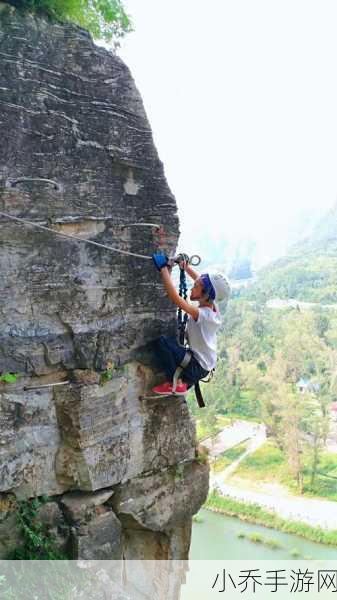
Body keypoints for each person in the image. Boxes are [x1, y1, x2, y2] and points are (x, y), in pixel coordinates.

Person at [151, 254, 230, 396]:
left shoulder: (204, 315)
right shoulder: (212, 304)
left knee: (161, 343)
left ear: (206, 295)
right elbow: (199, 280)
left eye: (195, 287)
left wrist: (163, 269)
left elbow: (176, 298)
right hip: (204, 365)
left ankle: (174, 383)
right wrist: (186, 267)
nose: (192, 289)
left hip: (196, 365)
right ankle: (185, 382)